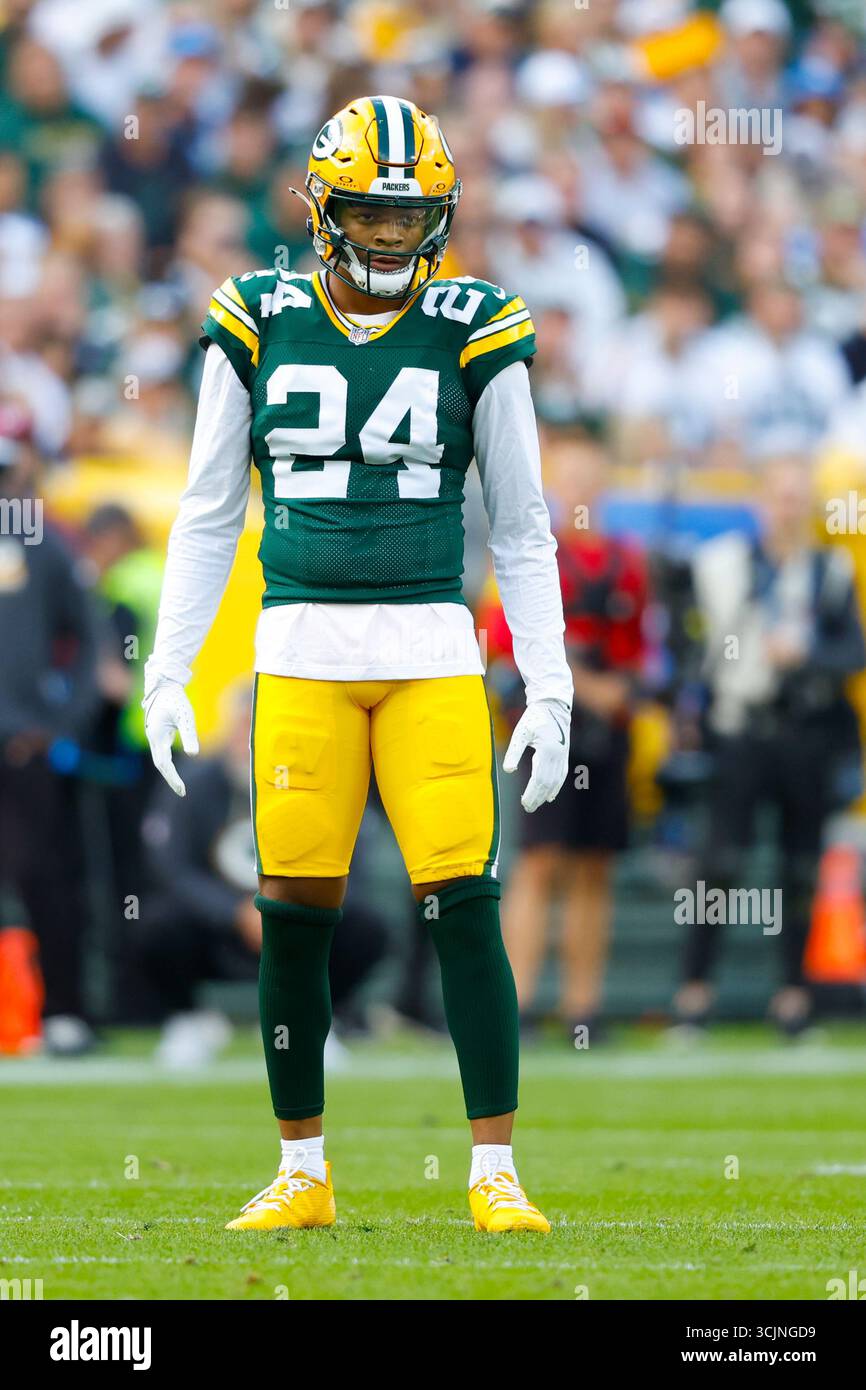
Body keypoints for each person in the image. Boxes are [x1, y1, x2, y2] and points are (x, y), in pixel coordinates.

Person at [143, 97, 572, 1234]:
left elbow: (523, 524)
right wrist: (168, 666)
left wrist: (551, 682)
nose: (389, 235)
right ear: (322, 209)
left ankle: (494, 1172)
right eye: (371, 214)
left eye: (408, 216)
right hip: (298, 650)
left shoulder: (476, 322)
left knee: (463, 902)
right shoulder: (255, 313)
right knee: (293, 911)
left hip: (431, 648)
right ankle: (303, 1170)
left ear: (439, 217)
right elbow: (207, 508)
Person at [673, 455, 866, 1037]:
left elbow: (853, 651)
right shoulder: (723, 563)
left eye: (797, 498)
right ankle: (694, 993)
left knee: (800, 866)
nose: (788, 509)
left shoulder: (828, 570)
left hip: (804, 733)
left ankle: (793, 998)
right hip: (741, 727)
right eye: (781, 497)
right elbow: (687, 642)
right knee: (720, 863)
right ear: (761, 503)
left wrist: (806, 654)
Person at [484, 432, 648, 1043]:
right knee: (540, 863)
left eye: (588, 477)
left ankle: (584, 1007)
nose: (579, 489)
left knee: (594, 866)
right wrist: (589, 686)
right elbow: (505, 645)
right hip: (546, 724)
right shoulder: (530, 555)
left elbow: (639, 650)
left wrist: (620, 692)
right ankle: (518, 1004)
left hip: (606, 733)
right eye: (569, 477)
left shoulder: (627, 561)